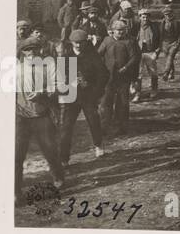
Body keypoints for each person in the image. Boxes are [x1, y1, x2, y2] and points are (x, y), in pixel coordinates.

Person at [14, 30, 63, 201]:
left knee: (49, 149)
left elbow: (57, 87)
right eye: (27, 51)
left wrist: (42, 93)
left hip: (42, 114)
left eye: (34, 50)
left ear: (40, 51)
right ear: (22, 53)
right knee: (17, 154)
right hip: (21, 115)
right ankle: (16, 191)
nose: (31, 54)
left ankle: (58, 176)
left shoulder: (48, 66)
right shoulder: (16, 69)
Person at [56, 29, 108, 164]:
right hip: (71, 97)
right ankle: (64, 157)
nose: (78, 45)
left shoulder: (92, 56)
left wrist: (96, 92)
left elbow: (103, 75)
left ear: (86, 42)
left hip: (88, 96)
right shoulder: (66, 57)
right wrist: (66, 89)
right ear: (71, 42)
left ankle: (98, 145)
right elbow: (61, 78)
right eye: (75, 43)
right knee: (66, 127)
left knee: (93, 121)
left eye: (81, 43)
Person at [97, 19, 139, 136]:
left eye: (122, 30)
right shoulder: (107, 40)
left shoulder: (129, 42)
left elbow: (134, 58)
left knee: (123, 102)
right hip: (109, 77)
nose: (120, 33)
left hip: (123, 77)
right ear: (113, 31)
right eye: (118, 30)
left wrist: (126, 68)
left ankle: (121, 126)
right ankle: (104, 126)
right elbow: (98, 54)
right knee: (106, 101)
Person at [132, 9, 160, 102]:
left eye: (147, 16)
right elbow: (131, 40)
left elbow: (159, 39)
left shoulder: (154, 26)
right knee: (138, 74)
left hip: (150, 52)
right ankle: (137, 93)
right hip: (138, 53)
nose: (145, 19)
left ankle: (154, 90)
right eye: (143, 17)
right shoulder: (135, 26)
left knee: (153, 72)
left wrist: (157, 52)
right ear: (139, 17)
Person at [160, 9, 180, 81]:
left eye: (169, 14)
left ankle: (166, 73)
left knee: (170, 56)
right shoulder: (162, 23)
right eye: (166, 14)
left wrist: (178, 43)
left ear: (172, 14)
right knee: (168, 58)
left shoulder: (176, 22)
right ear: (164, 15)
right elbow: (160, 34)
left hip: (174, 42)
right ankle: (172, 72)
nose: (168, 16)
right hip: (165, 43)